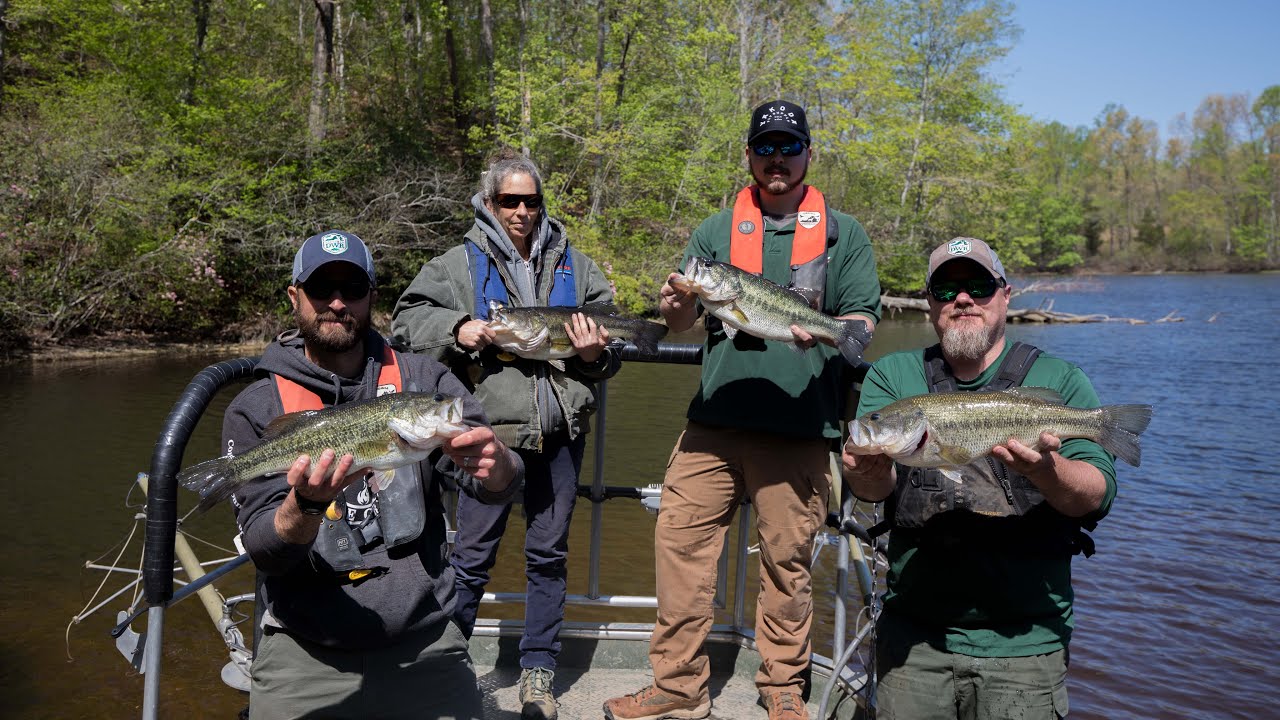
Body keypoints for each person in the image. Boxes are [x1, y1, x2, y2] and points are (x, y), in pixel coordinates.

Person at [604, 100, 882, 720]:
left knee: (788, 566)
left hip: (801, 425)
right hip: (713, 426)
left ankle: (783, 688)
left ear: (808, 153)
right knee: (679, 550)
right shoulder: (714, 231)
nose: (776, 159)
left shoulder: (845, 233)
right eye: (765, 148)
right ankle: (677, 688)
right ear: (750, 156)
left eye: (788, 147)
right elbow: (680, 321)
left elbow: (863, 317)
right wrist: (675, 299)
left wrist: (836, 333)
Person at [225, 229, 523, 720]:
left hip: (425, 639)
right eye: (322, 290)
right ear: (294, 297)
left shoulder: (426, 383)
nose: (338, 303)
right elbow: (266, 549)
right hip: (304, 648)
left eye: (353, 290)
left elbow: (499, 485)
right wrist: (306, 505)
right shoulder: (256, 407)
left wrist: (499, 465)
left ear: (372, 298)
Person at [842, 237, 1118, 719]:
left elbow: (1095, 498)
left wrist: (1047, 471)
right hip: (916, 639)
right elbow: (872, 491)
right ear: (930, 302)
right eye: (946, 290)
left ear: (1005, 295)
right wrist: (865, 472)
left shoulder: (1060, 379)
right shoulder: (894, 378)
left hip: (1026, 644)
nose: (962, 298)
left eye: (978, 286)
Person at [391, 151, 620, 720]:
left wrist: (598, 352)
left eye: (531, 201)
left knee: (549, 556)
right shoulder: (454, 266)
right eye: (509, 201)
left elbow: (610, 344)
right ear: (489, 203)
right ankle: (447, 663)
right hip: (487, 434)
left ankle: (538, 670)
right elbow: (404, 320)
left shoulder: (578, 266)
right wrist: (455, 327)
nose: (521, 211)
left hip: (562, 433)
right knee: (470, 557)